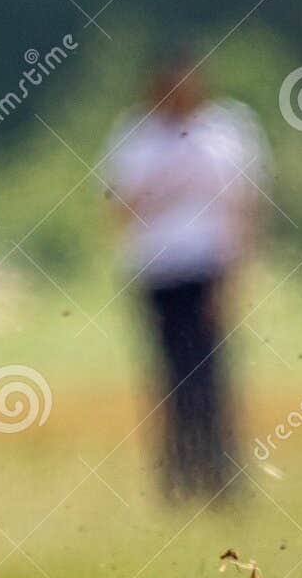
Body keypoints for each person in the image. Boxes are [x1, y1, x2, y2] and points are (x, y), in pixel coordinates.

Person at [105, 57, 270, 501]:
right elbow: (118, 207)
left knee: (212, 376)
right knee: (170, 376)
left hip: (208, 268)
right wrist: (166, 186)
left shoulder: (226, 132)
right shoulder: (138, 137)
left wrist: (236, 274)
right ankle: (177, 476)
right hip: (158, 270)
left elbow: (244, 207)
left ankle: (219, 474)